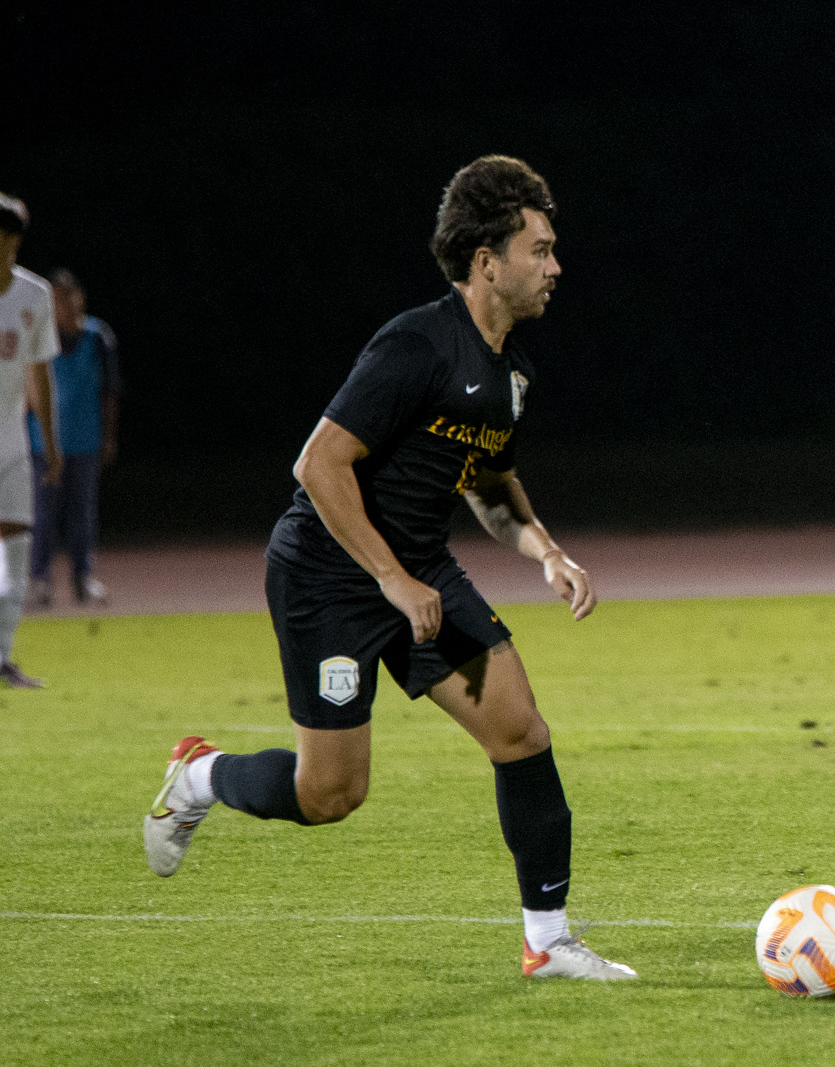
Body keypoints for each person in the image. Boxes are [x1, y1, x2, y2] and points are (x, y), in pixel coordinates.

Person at [142, 156, 636, 980]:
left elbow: (485, 478)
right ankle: (198, 776)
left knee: (521, 731)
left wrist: (545, 548)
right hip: (328, 578)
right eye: (540, 250)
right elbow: (319, 465)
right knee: (330, 793)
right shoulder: (416, 344)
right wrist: (390, 579)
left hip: (418, 575)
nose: (555, 267)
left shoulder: (511, 372)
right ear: (489, 262)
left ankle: (547, 941)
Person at [0, 193, 62, 688]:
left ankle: (3, 659)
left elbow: (40, 377)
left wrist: (52, 443)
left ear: (16, 241)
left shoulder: (34, 296)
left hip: (13, 441)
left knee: (16, 552)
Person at [29, 269, 120, 606]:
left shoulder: (98, 337)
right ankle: (40, 580)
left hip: (85, 442)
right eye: (57, 297)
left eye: (70, 295)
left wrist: (109, 437)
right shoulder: (40, 335)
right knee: (42, 514)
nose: (65, 303)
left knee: (82, 514)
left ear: (80, 297)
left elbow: (111, 391)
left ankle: (82, 578)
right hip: (43, 442)